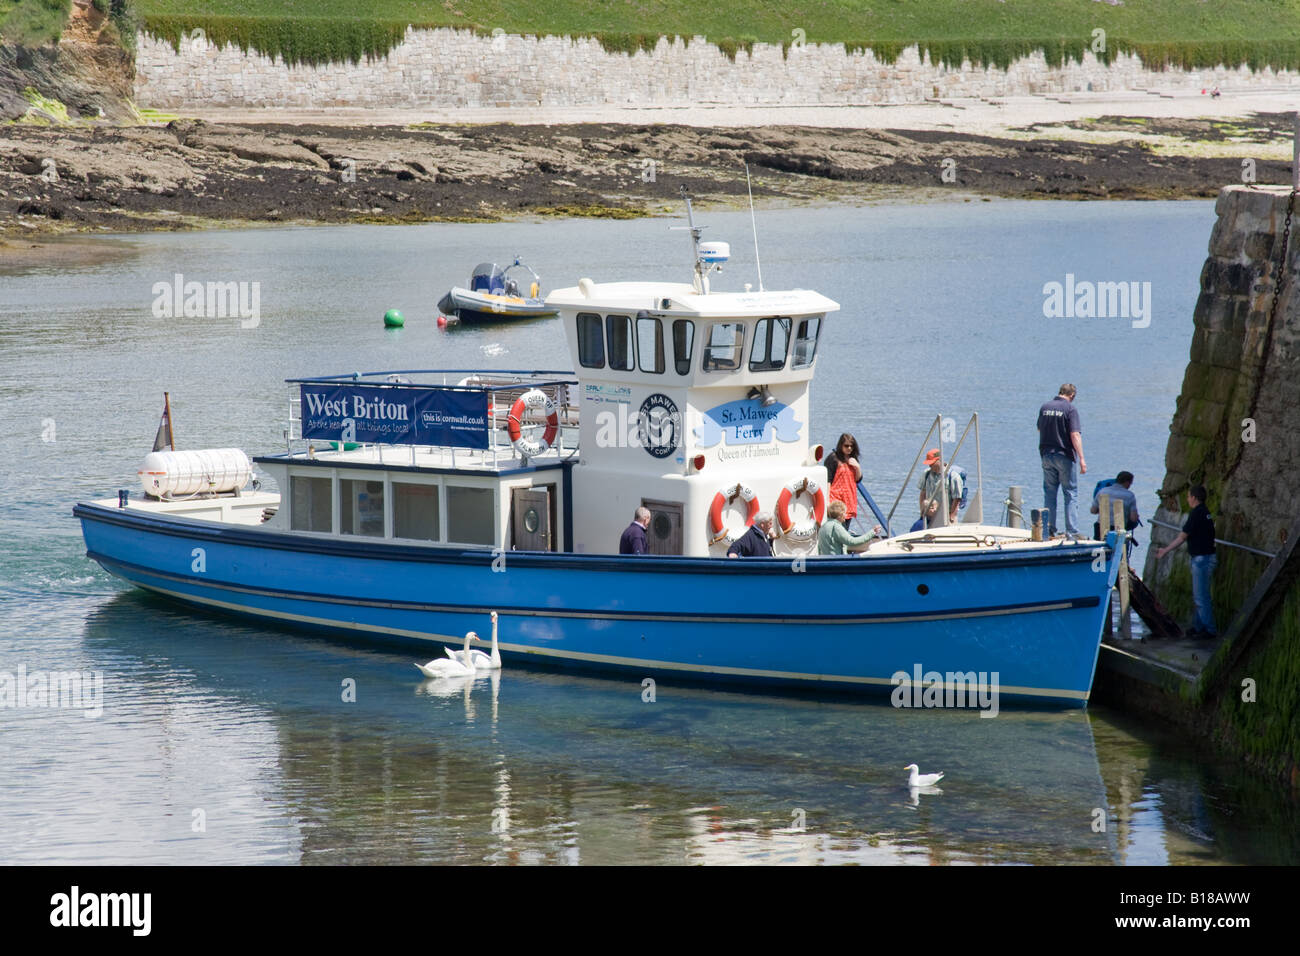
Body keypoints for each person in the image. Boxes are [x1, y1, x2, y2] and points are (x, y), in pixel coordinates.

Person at [1155, 485, 1218, 638]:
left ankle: (1209, 630)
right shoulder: (1205, 512)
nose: (1187, 499)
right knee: (1199, 595)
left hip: (1201, 559)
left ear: (1194, 498)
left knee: (1201, 597)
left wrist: (1165, 550)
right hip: (1205, 557)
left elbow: (1182, 537)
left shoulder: (1197, 513)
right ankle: (1198, 626)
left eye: (1189, 496)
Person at [1037, 383, 1087, 537]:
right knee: (1070, 493)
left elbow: (1039, 428)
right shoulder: (1070, 409)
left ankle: (1049, 528)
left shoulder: (1045, 407)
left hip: (1046, 454)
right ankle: (1072, 531)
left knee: (1050, 493)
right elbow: (1075, 435)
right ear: (1072, 395)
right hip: (1064, 455)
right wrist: (1082, 459)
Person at [817, 500, 883, 555]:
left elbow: (819, 547)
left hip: (826, 561)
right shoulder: (836, 527)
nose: (845, 515)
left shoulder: (823, 526)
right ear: (840, 515)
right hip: (836, 563)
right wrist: (872, 532)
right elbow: (852, 541)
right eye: (844, 513)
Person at [917, 449, 962, 528]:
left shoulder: (953, 476)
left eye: (932, 463)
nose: (930, 465)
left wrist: (951, 517)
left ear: (939, 460)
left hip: (945, 517)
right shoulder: (926, 474)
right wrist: (922, 512)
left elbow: (957, 499)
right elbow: (922, 494)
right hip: (929, 517)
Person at [824, 433, 862, 526]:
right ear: (841, 445)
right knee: (836, 529)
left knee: (845, 528)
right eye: (846, 446)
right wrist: (827, 501)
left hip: (849, 500)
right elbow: (827, 480)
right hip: (836, 499)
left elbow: (857, 479)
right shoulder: (833, 458)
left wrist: (857, 467)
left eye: (851, 446)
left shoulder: (853, 459)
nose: (849, 448)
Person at [1090, 470, 1140, 541]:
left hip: (1099, 529)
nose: (1129, 486)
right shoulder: (1129, 496)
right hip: (1117, 531)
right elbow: (1133, 518)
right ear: (1126, 482)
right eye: (1130, 483)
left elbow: (1093, 511)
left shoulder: (1102, 491)